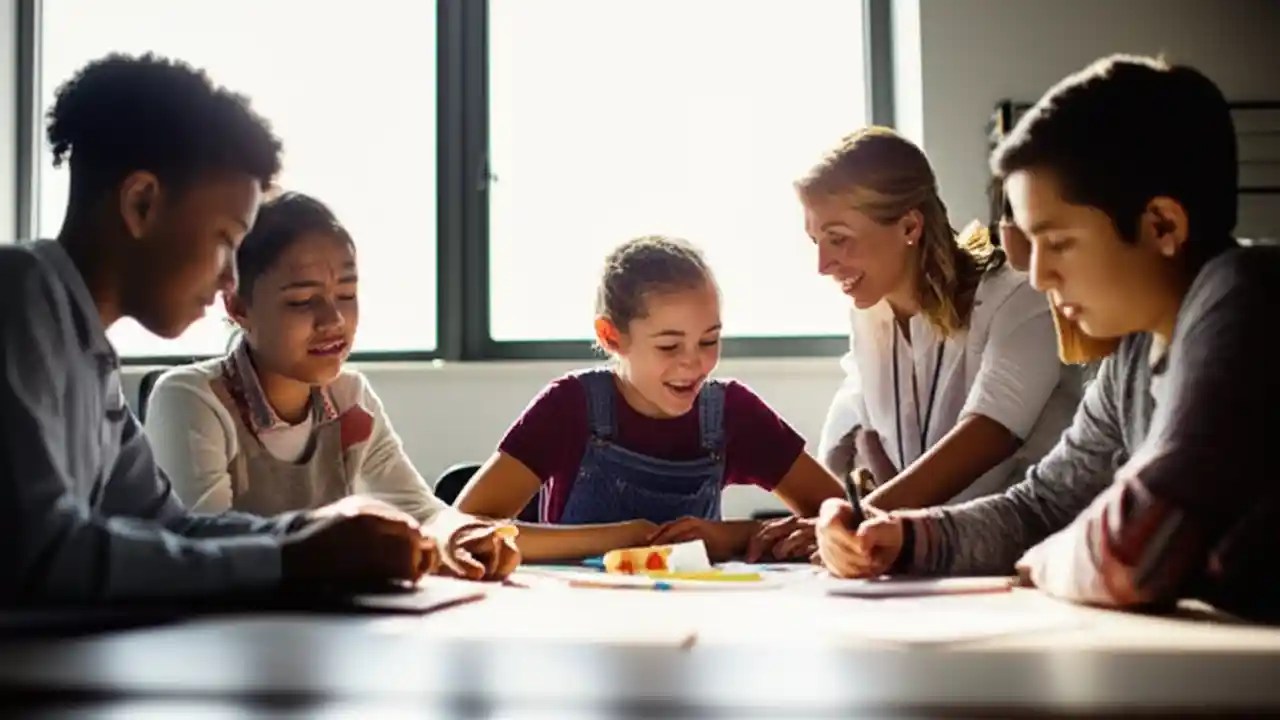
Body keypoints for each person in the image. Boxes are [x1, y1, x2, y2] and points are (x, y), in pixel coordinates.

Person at [816, 54, 1280, 620]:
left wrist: (1042, 561)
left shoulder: (1243, 295)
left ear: (1162, 226)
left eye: (1057, 243)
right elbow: (1042, 507)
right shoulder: (1131, 356)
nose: (1038, 276)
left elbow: (1132, 552)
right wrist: (901, 538)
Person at [0, 54, 432, 605]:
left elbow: (169, 528)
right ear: (141, 204)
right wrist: (289, 556)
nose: (230, 277)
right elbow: (42, 553)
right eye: (226, 240)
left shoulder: (87, 351)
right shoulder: (18, 298)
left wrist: (312, 536)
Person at [145, 192, 519, 581]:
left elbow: (419, 508)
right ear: (238, 307)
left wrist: (460, 535)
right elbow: (207, 546)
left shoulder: (349, 397)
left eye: (347, 294)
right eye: (303, 301)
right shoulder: (192, 398)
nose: (333, 319)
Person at [454, 235, 845, 562]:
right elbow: (466, 528)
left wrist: (728, 537)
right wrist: (621, 538)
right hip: (580, 623)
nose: (694, 362)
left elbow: (841, 515)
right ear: (611, 337)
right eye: (669, 346)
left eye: (709, 340)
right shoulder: (568, 406)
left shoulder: (731, 413)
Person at [799, 127, 1079, 510]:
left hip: (1020, 550)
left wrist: (858, 523)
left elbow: (989, 434)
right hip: (923, 554)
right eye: (816, 241)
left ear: (910, 227)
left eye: (839, 238)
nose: (822, 265)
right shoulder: (871, 317)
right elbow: (852, 430)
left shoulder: (1019, 299)